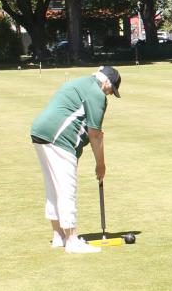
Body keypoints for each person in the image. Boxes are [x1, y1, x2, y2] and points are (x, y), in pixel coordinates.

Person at [30, 66, 122, 253]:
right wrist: (101, 165)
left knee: (53, 187)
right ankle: (72, 240)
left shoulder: (78, 83)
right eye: (111, 90)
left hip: (40, 133)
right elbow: (95, 134)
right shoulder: (97, 94)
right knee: (66, 189)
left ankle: (58, 236)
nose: (110, 94)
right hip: (59, 139)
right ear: (106, 82)